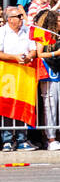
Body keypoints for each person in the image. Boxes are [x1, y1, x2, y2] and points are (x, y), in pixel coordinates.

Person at [0, 5, 37, 151]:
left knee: (23, 105)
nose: (22, 18)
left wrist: (29, 56)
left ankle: (23, 139)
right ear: (10, 19)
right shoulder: (1, 32)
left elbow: (33, 49)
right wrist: (14, 58)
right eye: (19, 16)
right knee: (8, 106)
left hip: (25, 72)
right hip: (7, 73)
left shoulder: (27, 30)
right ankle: (7, 140)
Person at [33, 9, 60, 151]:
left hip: (58, 69)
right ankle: (51, 138)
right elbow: (39, 53)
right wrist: (56, 53)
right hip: (49, 70)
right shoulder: (44, 34)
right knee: (50, 105)